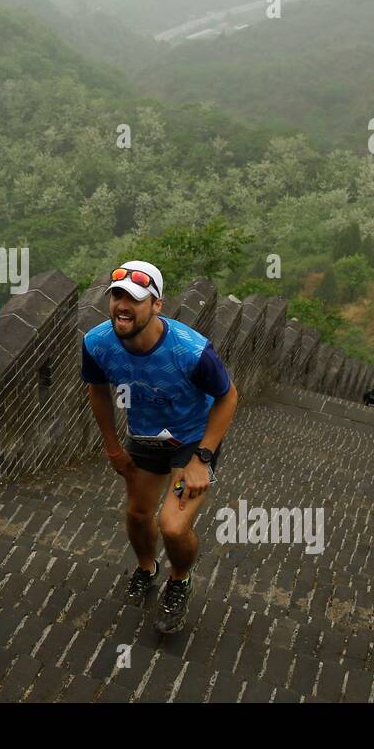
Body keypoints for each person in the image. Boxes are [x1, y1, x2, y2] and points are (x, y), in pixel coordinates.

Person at [81, 261, 238, 635]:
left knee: (172, 523)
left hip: (192, 443)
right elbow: (97, 391)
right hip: (146, 438)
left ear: (156, 306)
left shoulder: (191, 352)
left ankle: (179, 580)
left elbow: (228, 397)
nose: (123, 305)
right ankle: (146, 568)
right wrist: (112, 447)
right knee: (137, 515)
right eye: (117, 295)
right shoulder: (97, 343)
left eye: (135, 298)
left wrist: (202, 458)